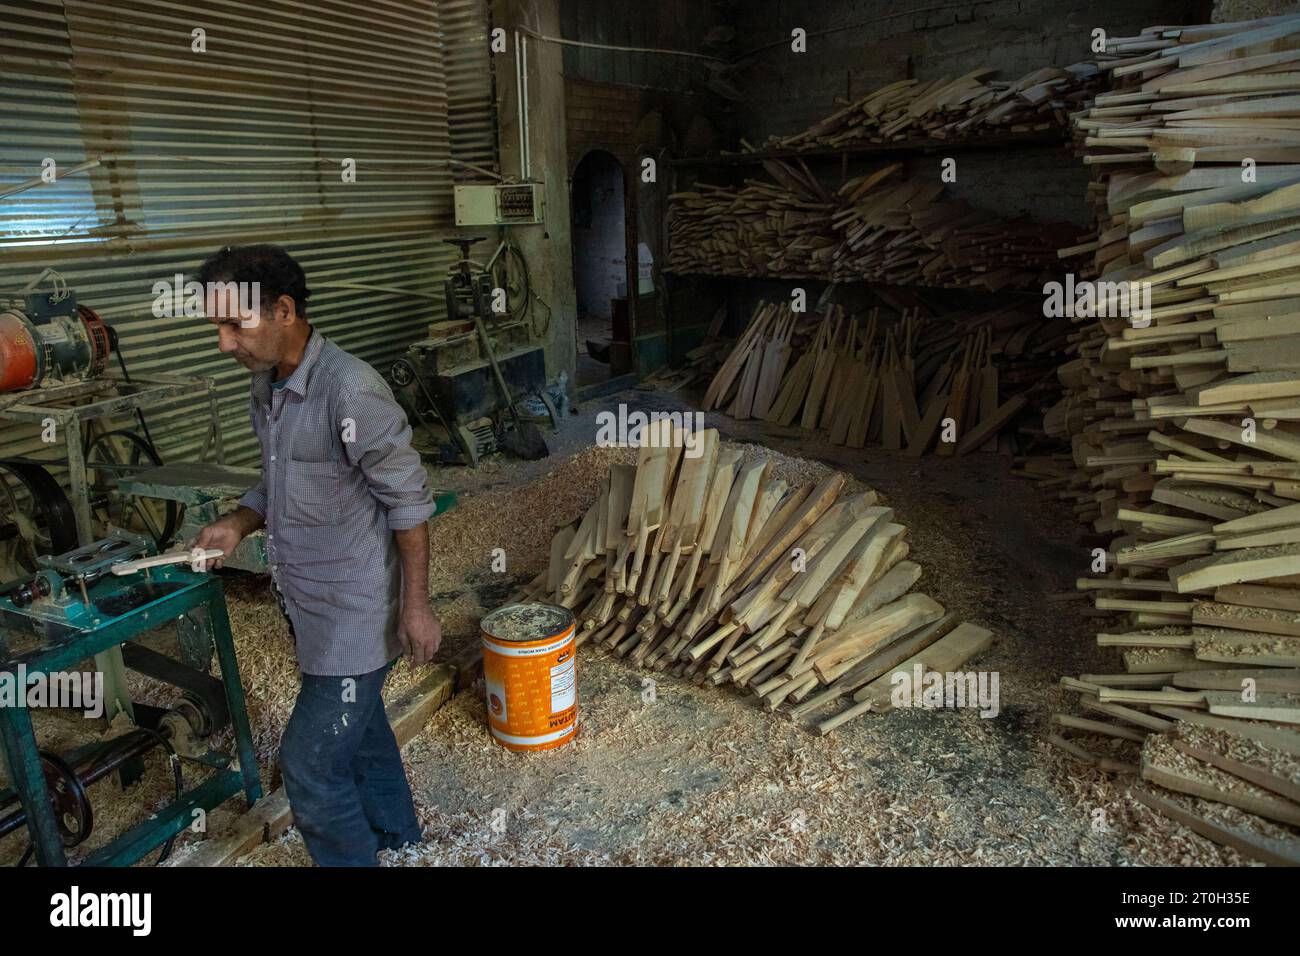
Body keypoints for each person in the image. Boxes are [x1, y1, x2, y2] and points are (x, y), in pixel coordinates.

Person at [194, 244, 440, 866]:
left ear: (282, 310)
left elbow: (409, 502)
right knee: (361, 733)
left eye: (234, 325)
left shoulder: (349, 390)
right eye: (216, 327)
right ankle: (396, 839)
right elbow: (278, 481)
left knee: (307, 765)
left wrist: (417, 607)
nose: (224, 344)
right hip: (308, 606)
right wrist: (239, 522)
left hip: (356, 615)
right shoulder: (267, 385)